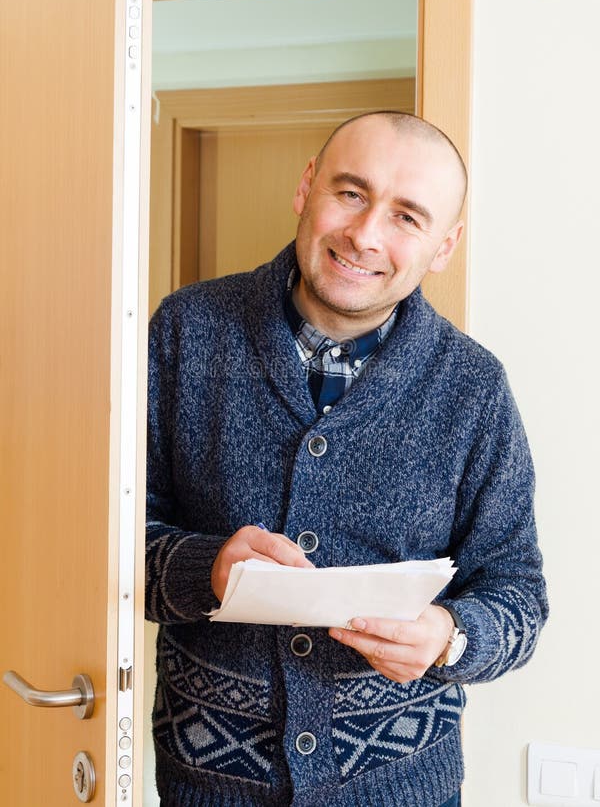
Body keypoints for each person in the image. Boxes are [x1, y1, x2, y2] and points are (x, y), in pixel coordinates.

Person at [146, 111, 548, 807]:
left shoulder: (475, 389)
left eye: (407, 217)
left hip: (403, 789)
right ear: (307, 186)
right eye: (351, 193)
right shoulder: (184, 332)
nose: (364, 234)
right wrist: (205, 570)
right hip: (207, 786)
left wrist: (450, 638)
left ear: (445, 245)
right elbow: (103, 551)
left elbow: (519, 597)